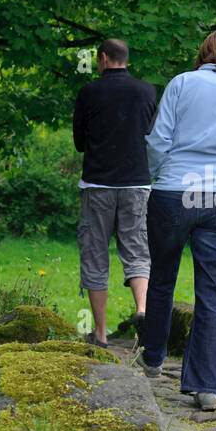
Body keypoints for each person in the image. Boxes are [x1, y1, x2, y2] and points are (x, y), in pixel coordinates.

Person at [140, 31, 216, 410]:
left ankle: (152, 360)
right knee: (213, 294)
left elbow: (158, 139)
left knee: (161, 278)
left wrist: (158, 176)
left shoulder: (181, 83)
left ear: (204, 55)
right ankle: (207, 388)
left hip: (175, 191)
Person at [73, 38, 157, 347]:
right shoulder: (147, 91)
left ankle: (100, 333)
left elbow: (80, 142)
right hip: (136, 183)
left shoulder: (88, 92)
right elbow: (151, 133)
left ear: (104, 58)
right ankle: (142, 309)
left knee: (96, 255)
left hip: (98, 185)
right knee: (137, 250)